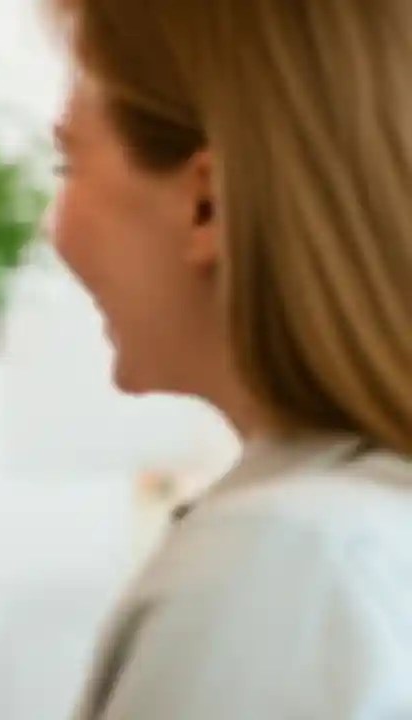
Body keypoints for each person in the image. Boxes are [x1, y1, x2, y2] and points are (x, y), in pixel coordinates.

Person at [47, 0, 412, 717]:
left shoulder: (282, 566)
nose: (52, 230)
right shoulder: (355, 535)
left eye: (67, 164)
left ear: (206, 205)